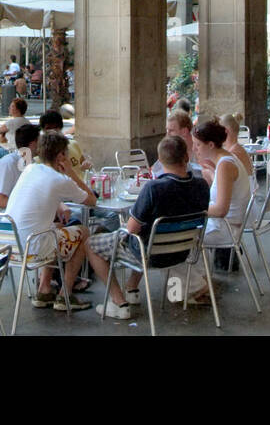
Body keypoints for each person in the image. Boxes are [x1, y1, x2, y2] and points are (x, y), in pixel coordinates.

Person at [88, 135, 210, 320]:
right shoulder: (201, 186)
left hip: (150, 255)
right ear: (186, 157)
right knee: (146, 233)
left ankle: (118, 302)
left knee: (91, 244)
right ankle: (131, 288)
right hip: (184, 251)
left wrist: (122, 227)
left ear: (160, 161)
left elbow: (130, 229)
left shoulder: (153, 188)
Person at [3, 131, 97, 312]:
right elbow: (92, 200)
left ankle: (44, 289)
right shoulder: (60, 179)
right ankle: (65, 295)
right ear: (61, 155)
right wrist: (71, 173)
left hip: (10, 246)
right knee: (84, 232)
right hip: (32, 249)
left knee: (56, 228)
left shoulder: (30, 169)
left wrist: (60, 206)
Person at [192, 119, 251, 299]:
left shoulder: (225, 165)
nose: (195, 149)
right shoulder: (225, 161)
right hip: (230, 225)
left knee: (183, 239)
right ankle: (199, 281)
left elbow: (220, 210)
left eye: (197, 145)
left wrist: (194, 208)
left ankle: (198, 286)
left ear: (210, 144)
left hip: (226, 228)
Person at [0, 123, 38, 208]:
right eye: (42, 141)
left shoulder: (32, 163)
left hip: (19, 212)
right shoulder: (8, 163)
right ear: (32, 143)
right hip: (2, 216)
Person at [151, 108, 195, 175]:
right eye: (167, 130)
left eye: (171, 131)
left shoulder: (199, 150)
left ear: (184, 131)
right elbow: (154, 171)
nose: (167, 134)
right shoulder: (170, 148)